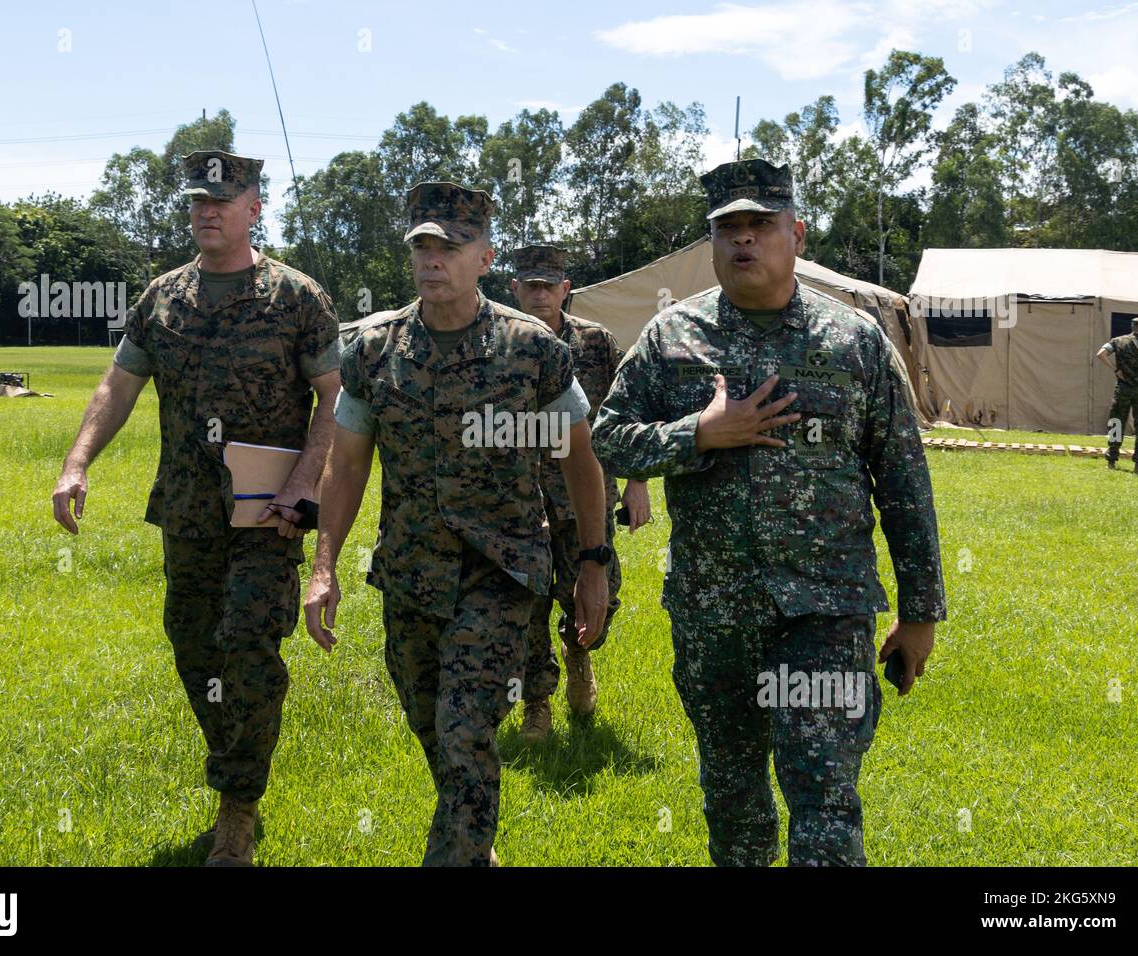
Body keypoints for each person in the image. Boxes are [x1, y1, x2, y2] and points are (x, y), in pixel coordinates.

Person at [592, 158, 947, 866]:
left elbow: (904, 481)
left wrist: (920, 613)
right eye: (729, 229)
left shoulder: (854, 341)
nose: (744, 239)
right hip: (714, 613)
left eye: (761, 224)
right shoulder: (672, 337)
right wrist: (697, 434)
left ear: (798, 235)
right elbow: (609, 438)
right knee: (733, 798)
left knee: (824, 800)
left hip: (825, 611)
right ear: (713, 243)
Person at [303, 182, 610, 866]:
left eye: (450, 246)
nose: (432, 259)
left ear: (485, 258)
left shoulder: (531, 348)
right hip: (410, 571)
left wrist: (593, 562)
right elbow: (346, 464)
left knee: (466, 729)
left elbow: (579, 459)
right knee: (432, 724)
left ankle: (458, 855)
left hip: (502, 570)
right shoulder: (373, 349)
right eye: (422, 246)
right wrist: (324, 567)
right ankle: (475, 839)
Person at [51, 150, 342, 867]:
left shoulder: (297, 297)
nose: (206, 212)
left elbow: (335, 400)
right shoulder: (163, 297)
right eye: (197, 202)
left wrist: (304, 485)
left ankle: (238, 808)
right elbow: (118, 385)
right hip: (187, 509)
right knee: (193, 647)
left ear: (254, 208)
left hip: (267, 514)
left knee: (247, 645)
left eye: (222, 200)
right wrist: (77, 462)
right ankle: (232, 765)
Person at [508, 244, 650, 742]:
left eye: (549, 286)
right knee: (526, 602)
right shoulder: (499, 343)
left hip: (585, 496)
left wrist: (636, 480)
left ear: (565, 290)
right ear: (515, 289)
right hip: (520, 498)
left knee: (598, 595)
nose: (540, 294)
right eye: (531, 285)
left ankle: (578, 652)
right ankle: (536, 702)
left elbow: (627, 411)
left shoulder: (596, 343)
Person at [1097, 315, 1138, 473]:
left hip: (1122, 390)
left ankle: (1111, 461)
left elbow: (1101, 354)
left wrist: (1115, 369)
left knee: (1116, 423)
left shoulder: (1117, 341)